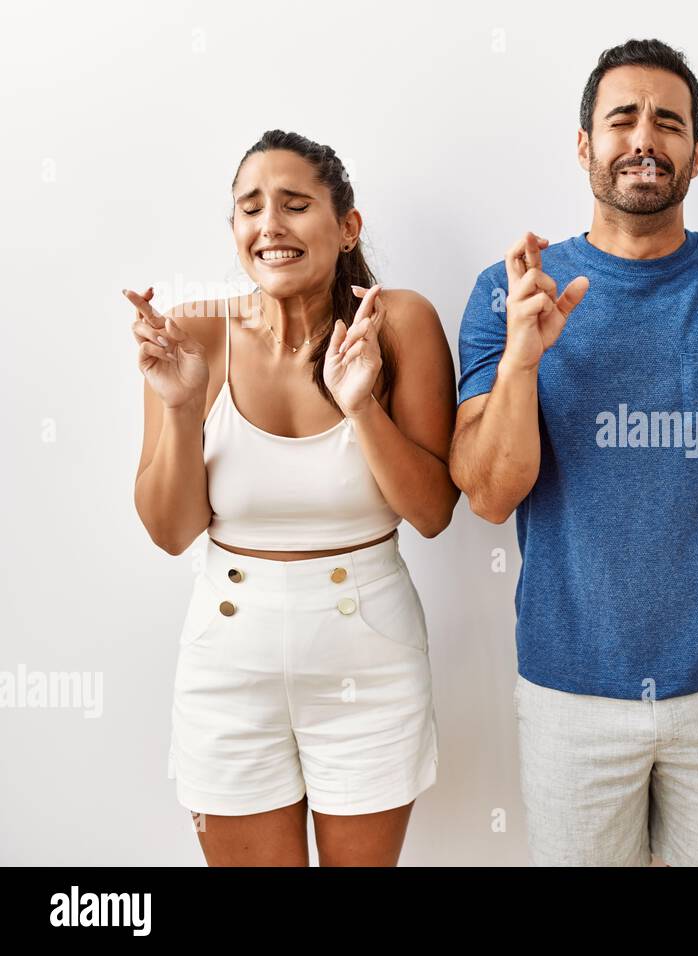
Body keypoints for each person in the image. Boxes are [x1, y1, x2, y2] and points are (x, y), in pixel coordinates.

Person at [450, 39, 698, 865]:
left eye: (670, 122)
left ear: (696, 152)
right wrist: (521, 358)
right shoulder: (510, 286)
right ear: (585, 145)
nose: (645, 138)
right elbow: (486, 494)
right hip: (566, 690)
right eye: (622, 118)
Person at [126, 129, 458, 865]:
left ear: (347, 227)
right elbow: (171, 531)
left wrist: (363, 403)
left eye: (294, 204)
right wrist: (181, 408)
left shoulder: (399, 322)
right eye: (249, 209)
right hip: (227, 664)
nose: (268, 226)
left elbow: (433, 513)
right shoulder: (193, 334)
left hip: (368, 661)